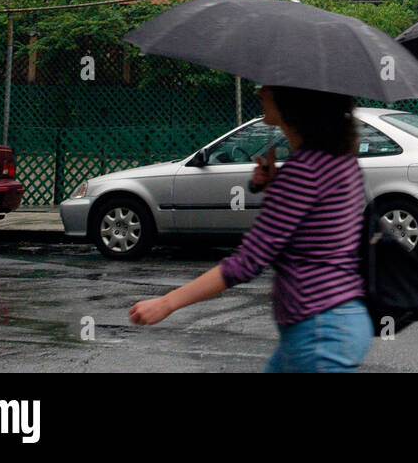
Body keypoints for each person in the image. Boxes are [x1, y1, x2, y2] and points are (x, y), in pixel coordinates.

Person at [129, 85, 372, 372]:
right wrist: (275, 184)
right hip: (342, 320)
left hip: (318, 333)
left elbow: (247, 262)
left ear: (292, 101)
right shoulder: (339, 161)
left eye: (267, 88)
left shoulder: (303, 171)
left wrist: (167, 303)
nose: (260, 91)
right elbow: (319, 224)